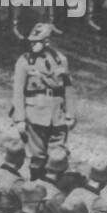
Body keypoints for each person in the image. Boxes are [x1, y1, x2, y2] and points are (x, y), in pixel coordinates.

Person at [11, 23, 73, 180]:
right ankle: (36, 189)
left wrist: (70, 114)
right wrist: (19, 119)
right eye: (31, 41)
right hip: (35, 115)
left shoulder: (60, 60)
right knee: (38, 157)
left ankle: (54, 190)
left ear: (46, 42)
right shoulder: (24, 61)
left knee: (58, 156)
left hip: (57, 115)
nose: (32, 44)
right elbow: (18, 92)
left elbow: (68, 88)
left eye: (36, 41)